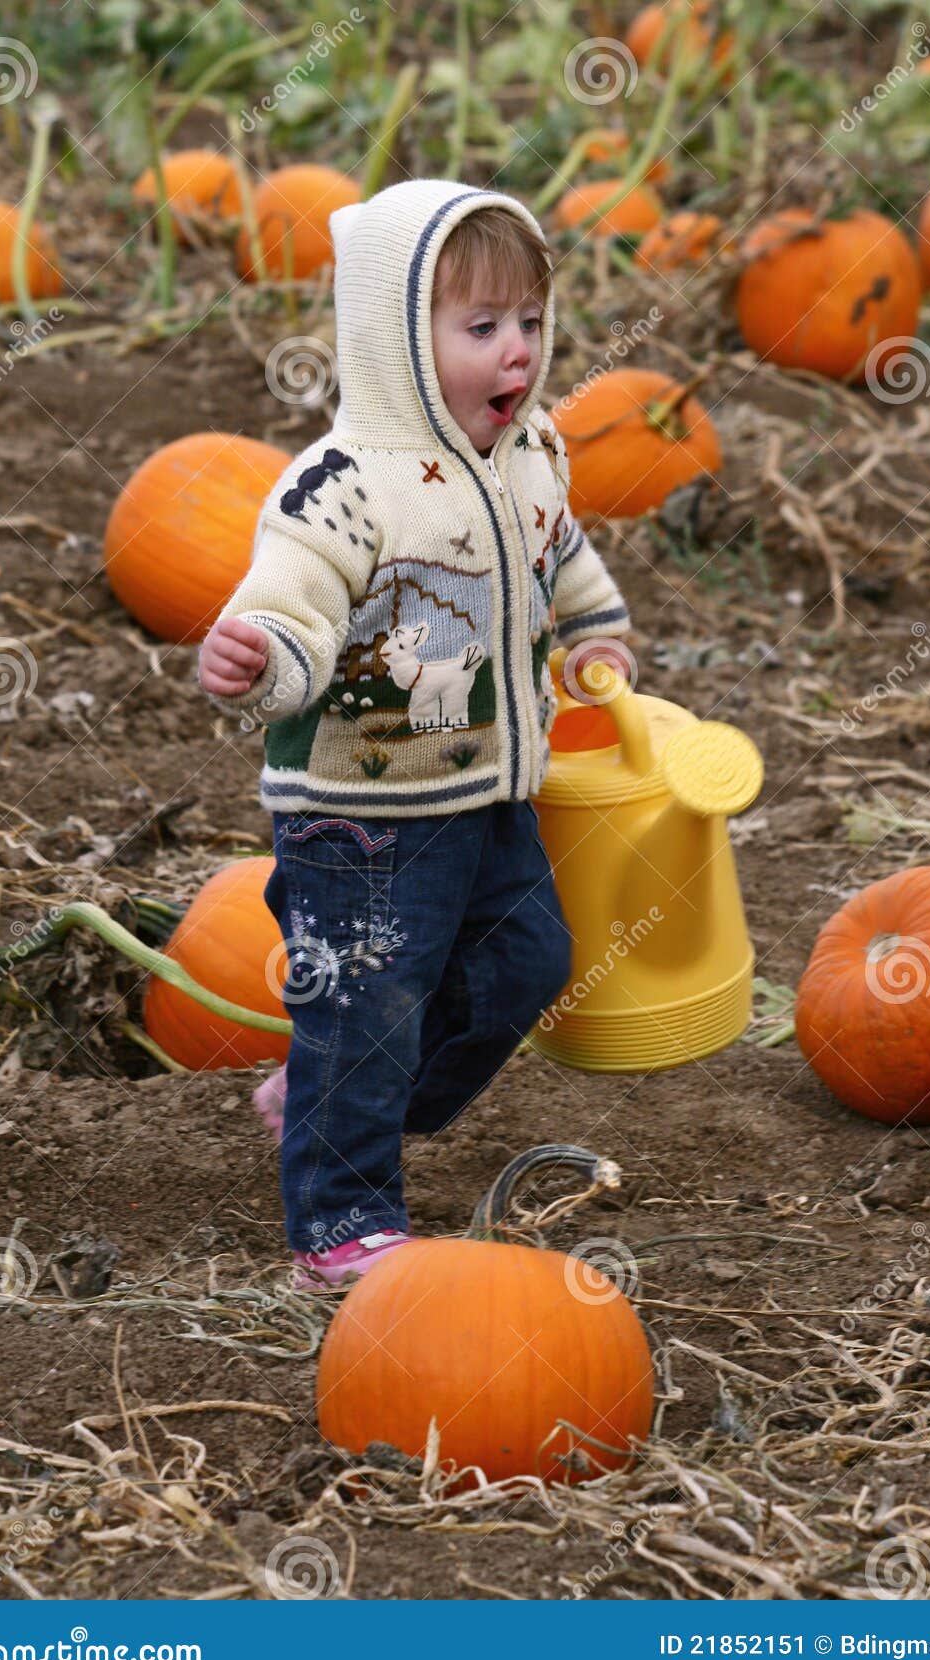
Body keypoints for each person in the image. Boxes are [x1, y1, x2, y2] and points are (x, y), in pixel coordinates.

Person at [197, 178, 632, 1287]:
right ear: (393, 337)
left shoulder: (531, 452)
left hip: (491, 793)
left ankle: (330, 1090)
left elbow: (557, 554)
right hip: (362, 814)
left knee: (526, 965)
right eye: (478, 328)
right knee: (366, 997)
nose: (516, 353)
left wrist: (592, 631)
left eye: (528, 323)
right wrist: (261, 658)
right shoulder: (340, 487)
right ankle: (339, 1219)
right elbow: (292, 604)